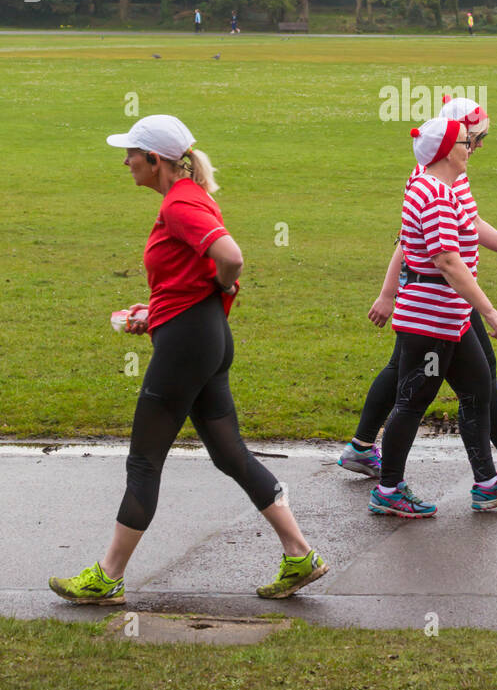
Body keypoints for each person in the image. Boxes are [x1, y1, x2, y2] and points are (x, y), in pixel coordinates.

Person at [49, 114, 328, 605]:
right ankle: (300, 553)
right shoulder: (191, 197)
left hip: (187, 346)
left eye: (132, 153)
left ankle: (107, 577)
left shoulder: (180, 204)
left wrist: (218, 288)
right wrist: (156, 310)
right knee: (230, 454)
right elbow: (190, 275)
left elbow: (231, 257)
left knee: (143, 460)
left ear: (156, 160)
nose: (126, 161)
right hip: (203, 338)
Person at [339, 98, 497, 486]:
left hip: (442, 296)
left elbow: (468, 223)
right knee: (446, 386)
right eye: (474, 139)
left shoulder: (447, 174)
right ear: (452, 140)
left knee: (421, 377)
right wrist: (389, 292)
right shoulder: (437, 181)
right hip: (439, 298)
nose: (476, 147)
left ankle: (367, 450)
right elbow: (422, 247)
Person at [368, 117, 497, 516]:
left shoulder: (444, 189)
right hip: (430, 321)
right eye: (466, 142)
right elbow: (447, 261)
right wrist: (490, 310)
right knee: (412, 403)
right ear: (446, 150)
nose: (472, 148)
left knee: (478, 388)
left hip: (449, 317)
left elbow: (464, 239)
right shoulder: (434, 196)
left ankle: (488, 484)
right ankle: (388, 490)